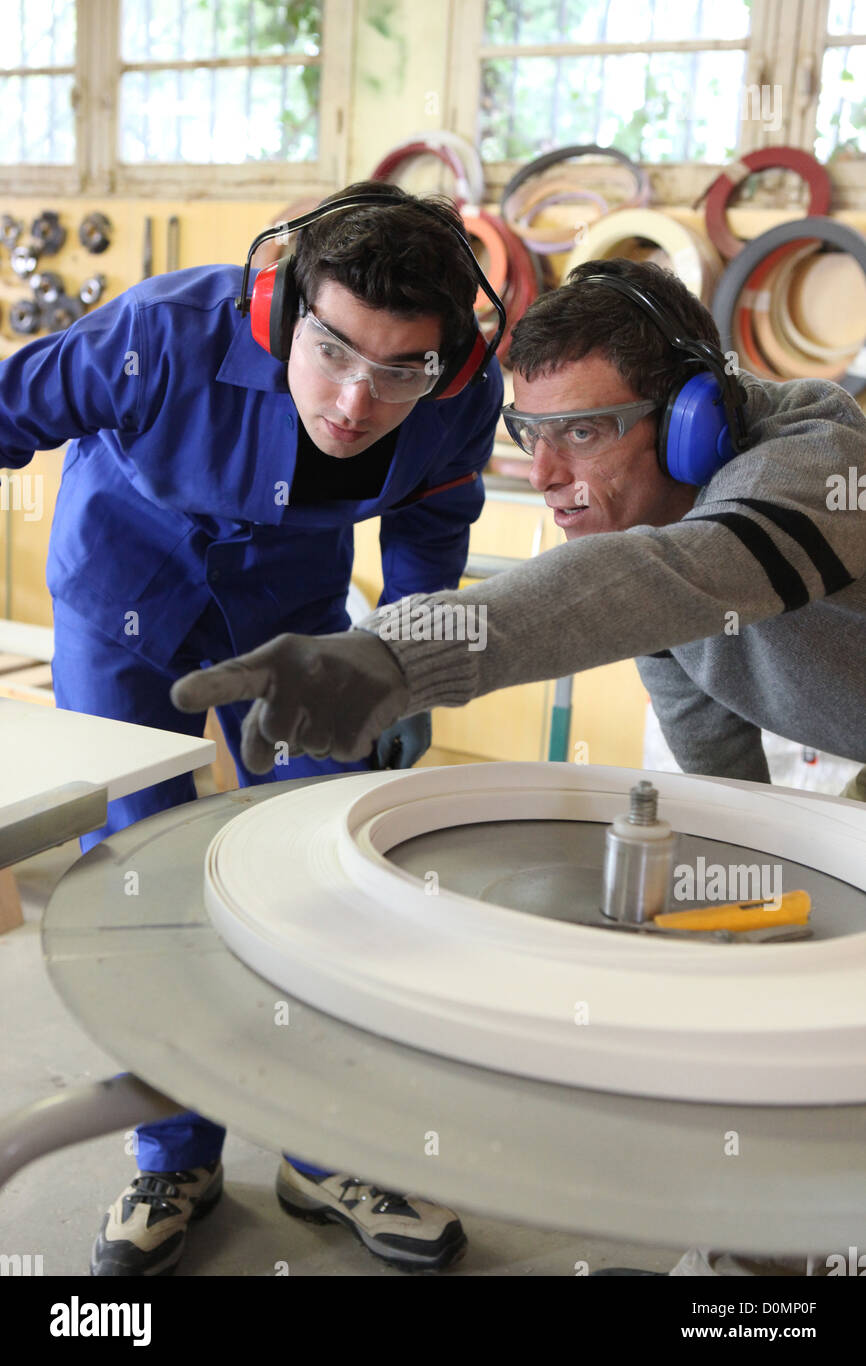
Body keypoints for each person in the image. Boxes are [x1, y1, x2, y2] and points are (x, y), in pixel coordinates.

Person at [171, 256, 866, 1278]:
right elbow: (728, 797)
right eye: (527, 433)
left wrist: (394, 656)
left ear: (693, 421)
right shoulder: (649, 542)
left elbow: (668, 575)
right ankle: (756, 1268)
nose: (542, 477)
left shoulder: (814, 465)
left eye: (581, 431)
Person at [0, 181, 504, 1276]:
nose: (356, 400)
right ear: (280, 312)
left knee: (327, 877)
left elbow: (431, 523)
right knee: (137, 882)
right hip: (121, 604)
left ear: (449, 364)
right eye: (332, 352)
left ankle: (326, 1152)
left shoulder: (458, 396)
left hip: (295, 622)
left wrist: (405, 663)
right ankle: (171, 1152)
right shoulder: (158, 333)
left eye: (399, 370)